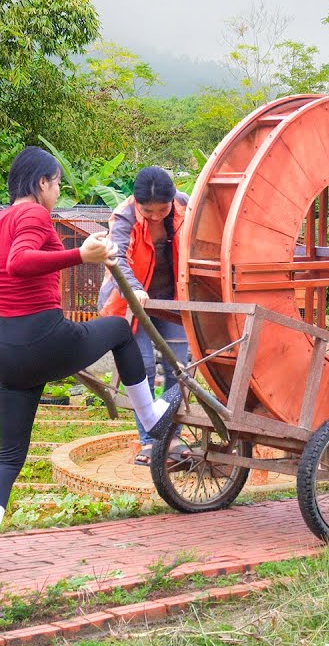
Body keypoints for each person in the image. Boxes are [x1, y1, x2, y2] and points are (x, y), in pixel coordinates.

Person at [0, 146, 182, 575]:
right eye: (56, 184)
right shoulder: (33, 215)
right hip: (48, 339)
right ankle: (150, 417)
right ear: (41, 184)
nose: (57, 191)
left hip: (10, 356)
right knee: (116, 329)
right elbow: (20, 262)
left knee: (9, 456)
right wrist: (81, 255)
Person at [97, 166, 192, 466]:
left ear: (172, 201)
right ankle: (149, 440)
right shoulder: (123, 217)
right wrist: (134, 290)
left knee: (180, 367)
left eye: (161, 210)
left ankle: (172, 436)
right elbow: (117, 259)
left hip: (173, 302)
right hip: (133, 302)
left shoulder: (185, 206)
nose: (154, 216)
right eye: (147, 210)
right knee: (143, 369)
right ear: (137, 203)